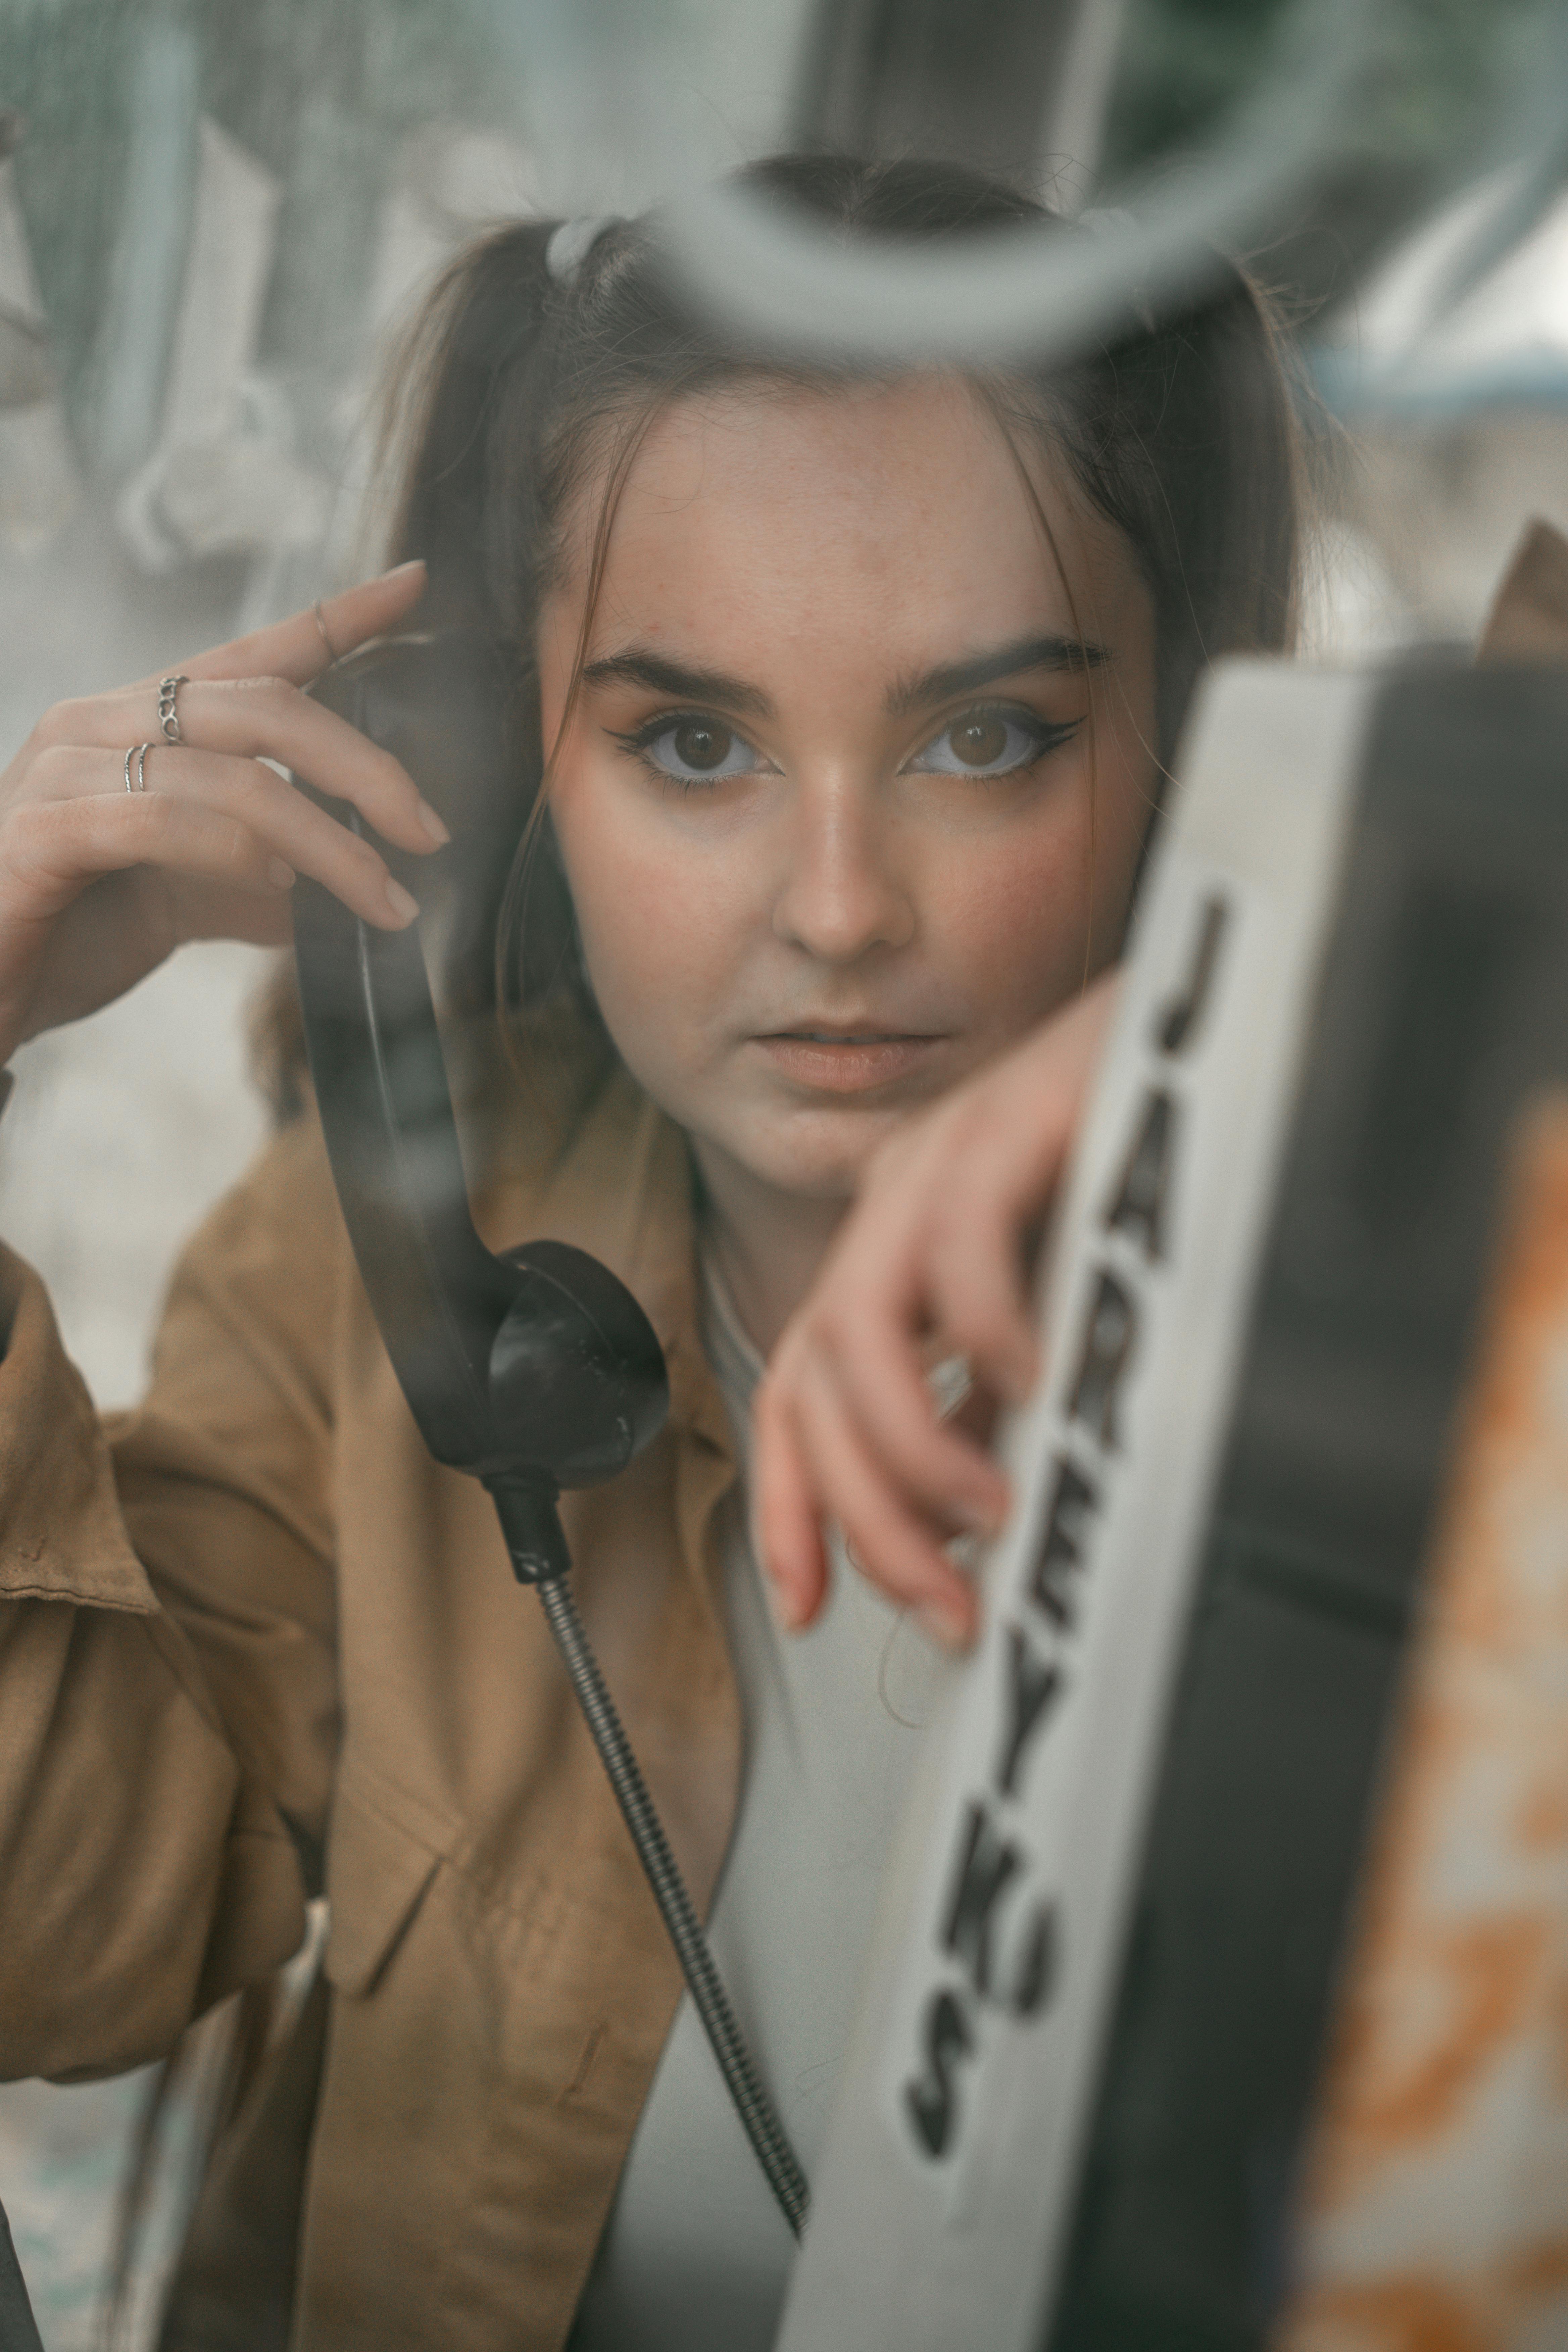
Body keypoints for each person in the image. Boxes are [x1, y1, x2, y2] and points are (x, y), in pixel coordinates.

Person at [0, 155, 1300, 2351]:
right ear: (513, 769)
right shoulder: (394, 1243)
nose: (837, 909)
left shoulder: (1425, 1346)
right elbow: (47, 1940)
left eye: (989, 738)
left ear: (1191, 748)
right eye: (691, 743)